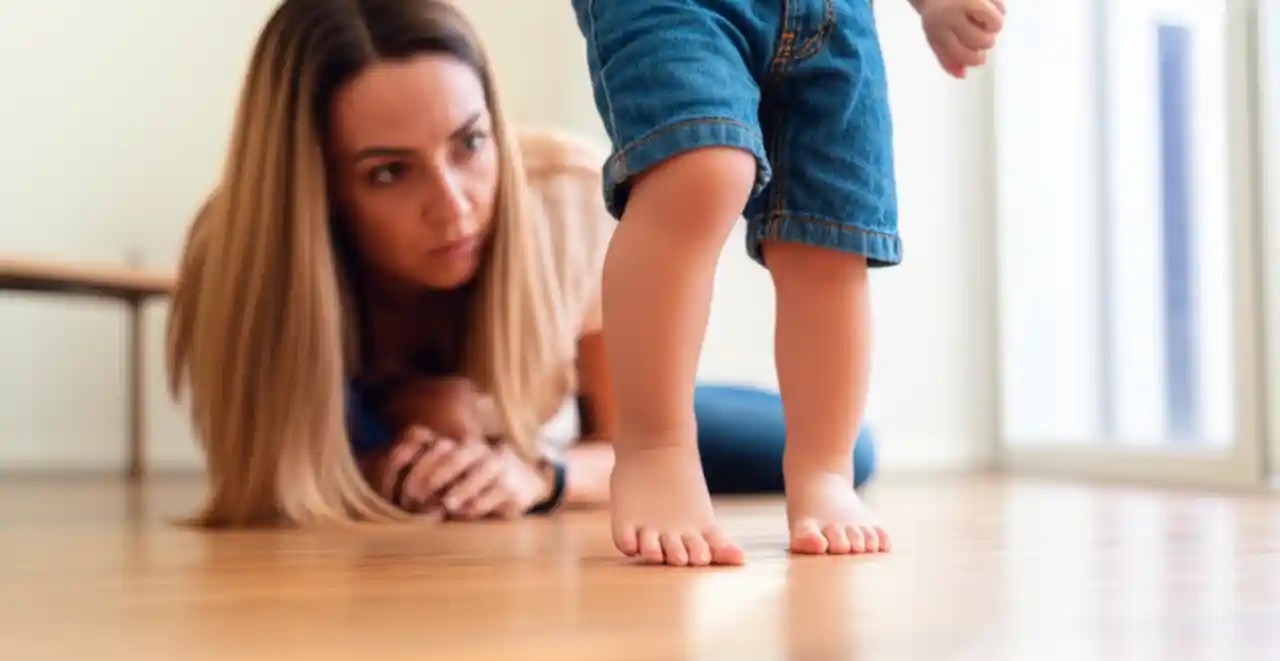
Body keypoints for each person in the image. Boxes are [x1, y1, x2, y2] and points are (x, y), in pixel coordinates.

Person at [165, 0, 879, 537]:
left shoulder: (563, 197)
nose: (453, 208)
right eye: (388, 174)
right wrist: (391, 459)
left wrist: (538, 472)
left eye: (470, 143)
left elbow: (620, 435)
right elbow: (270, 474)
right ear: (314, 184)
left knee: (853, 447)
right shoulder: (239, 257)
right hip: (455, 431)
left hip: (567, 432)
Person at [566, 0, 1004, 563]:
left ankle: (825, 470)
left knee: (832, 235)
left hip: (835, 16)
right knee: (702, 168)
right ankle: (654, 447)